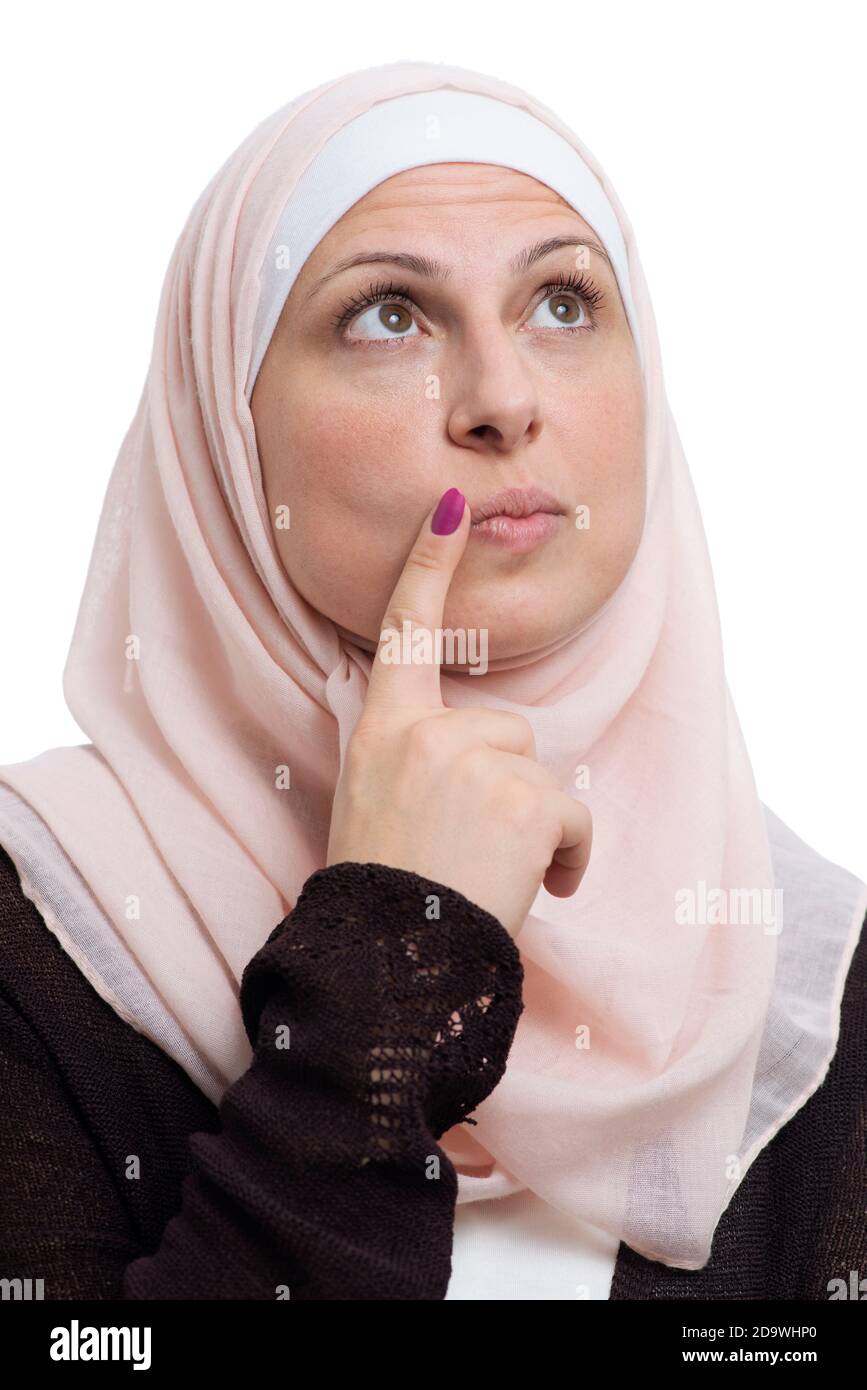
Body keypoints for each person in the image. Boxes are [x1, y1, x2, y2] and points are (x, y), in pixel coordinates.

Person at [0, 59, 864, 1302]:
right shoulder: (45, 936)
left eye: (565, 302)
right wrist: (396, 948)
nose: (505, 400)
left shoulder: (809, 981)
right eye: (387, 315)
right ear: (226, 430)